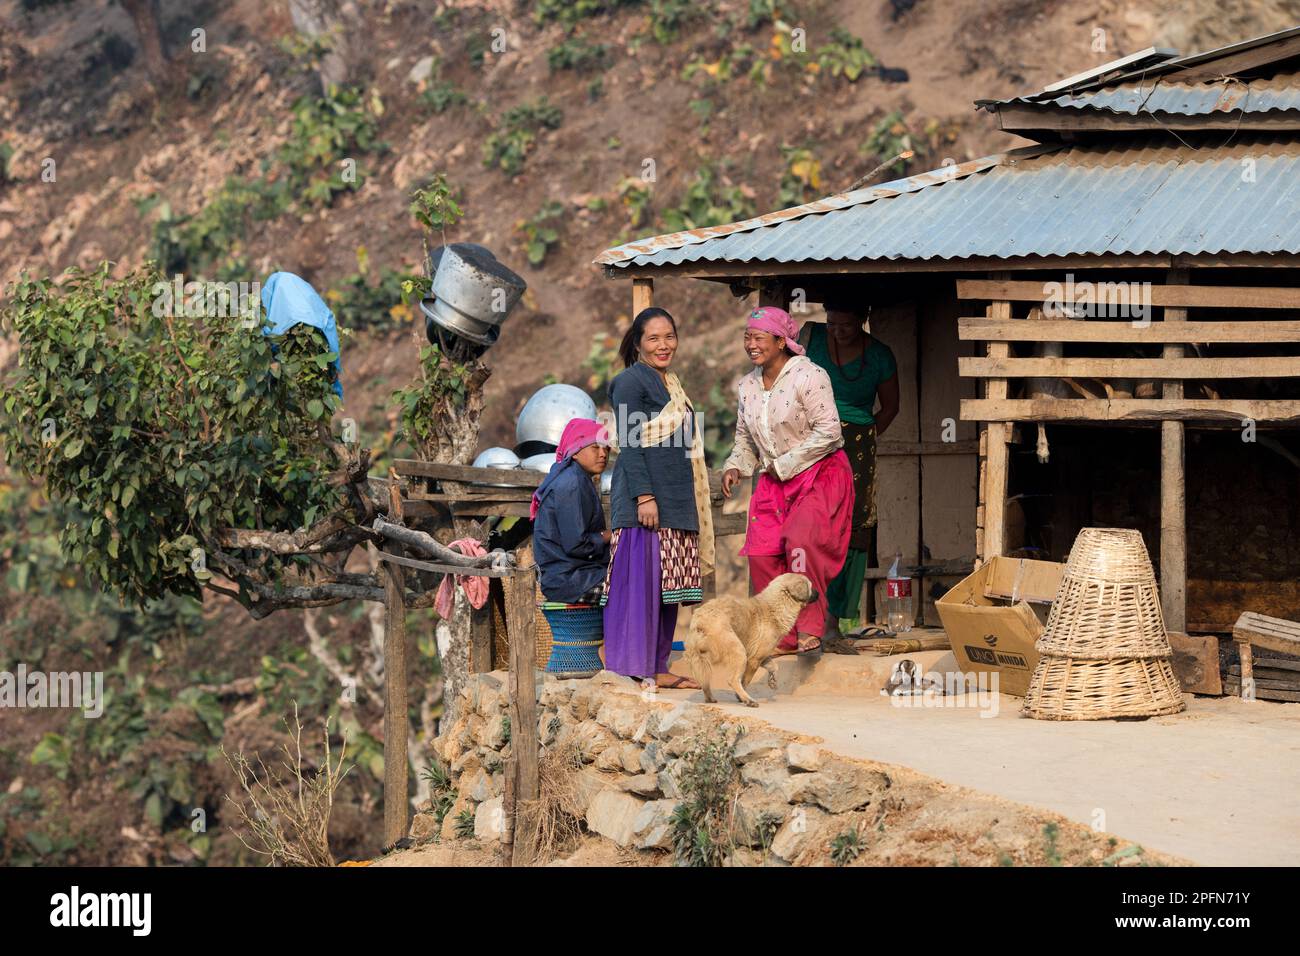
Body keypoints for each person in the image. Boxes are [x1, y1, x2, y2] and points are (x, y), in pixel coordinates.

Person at [722, 306, 854, 655]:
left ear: (782, 341)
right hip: (774, 482)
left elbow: (829, 430)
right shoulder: (747, 385)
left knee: (801, 543)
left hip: (818, 474)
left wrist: (785, 463)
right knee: (762, 554)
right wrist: (735, 465)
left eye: (759, 338)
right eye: (747, 337)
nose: (751, 344)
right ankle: (780, 635)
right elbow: (745, 438)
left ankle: (810, 629)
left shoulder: (809, 376)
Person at [603, 307, 714, 690]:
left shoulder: (672, 384)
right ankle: (633, 665)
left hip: (674, 500)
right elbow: (630, 444)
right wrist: (645, 496)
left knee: (666, 590)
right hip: (644, 503)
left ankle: (658, 664)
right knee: (641, 587)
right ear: (638, 343)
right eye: (653, 338)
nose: (663, 345)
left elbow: (682, 445)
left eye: (669, 336)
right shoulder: (630, 383)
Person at [800, 299, 899, 637]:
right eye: (832, 323)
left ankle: (834, 623)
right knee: (810, 527)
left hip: (857, 448)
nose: (837, 331)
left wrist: (861, 437)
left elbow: (890, 407)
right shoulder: (809, 338)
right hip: (811, 444)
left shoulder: (880, 355)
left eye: (846, 325)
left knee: (853, 529)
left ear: (863, 319)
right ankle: (802, 620)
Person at [531, 418, 613, 604]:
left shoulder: (579, 478)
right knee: (634, 584)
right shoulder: (571, 483)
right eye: (595, 448)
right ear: (575, 452)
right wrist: (609, 535)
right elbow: (576, 545)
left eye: (606, 448)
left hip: (579, 573)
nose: (603, 454)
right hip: (568, 579)